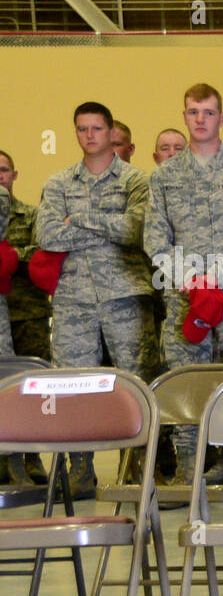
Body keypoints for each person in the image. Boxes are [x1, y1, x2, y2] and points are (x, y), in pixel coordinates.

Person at [144, 82, 223, 486]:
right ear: (184, 116)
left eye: (208, 112)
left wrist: (213, 277)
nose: (201, 120)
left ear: (221, 118)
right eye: (194, 112)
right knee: (187, 384)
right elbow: (155, 240)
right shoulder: (163, 177)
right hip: (183, 297)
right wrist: (189, 280)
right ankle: (188, 469)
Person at [36, 101, 158, 497]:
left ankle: (143, 465)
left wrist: (80, 220)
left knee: (138, 381)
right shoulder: (58, 183)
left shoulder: (137, 181)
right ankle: (80, 469)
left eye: (97, 129)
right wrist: (107, 227)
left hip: (126, 294)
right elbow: (48, 236)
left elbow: (136, 230)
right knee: (73, 387)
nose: (90, 136)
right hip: (74, 299)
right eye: (82, 129)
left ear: (111, 133)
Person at [0, 149, 50, 486]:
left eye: (3, 170)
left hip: (28, 311)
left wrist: (11, 256)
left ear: (14, 175)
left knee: (31, 387)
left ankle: (31, 457)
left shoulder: (30, 215)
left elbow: (41, 251)